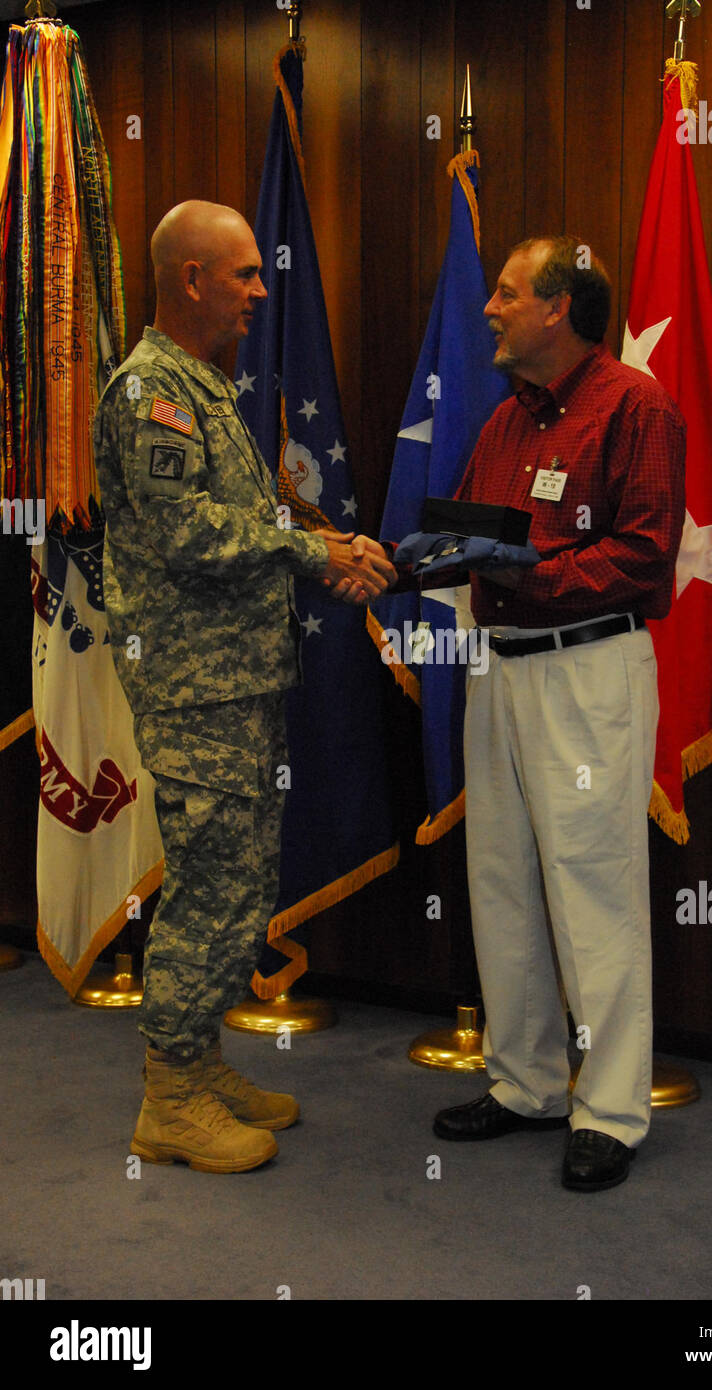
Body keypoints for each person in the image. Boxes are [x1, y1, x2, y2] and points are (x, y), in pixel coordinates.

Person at [94, 201, 395, 1173]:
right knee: (209, 888)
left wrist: (325, 555)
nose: (261, 292)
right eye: (244, 276)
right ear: (191, 279)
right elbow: (189, 534)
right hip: (194, 685)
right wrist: (314, 551)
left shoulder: (207, 389)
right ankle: (169, 1100)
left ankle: (199, 1059)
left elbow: (240, 518)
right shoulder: (154, 394)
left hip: (237, 677)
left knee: (237, 882)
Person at [433, 235, 686, 1191]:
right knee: (499, 877)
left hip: (589, 669)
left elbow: (644, 556)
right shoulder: (506, 420)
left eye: (506, 293)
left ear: (559, 309)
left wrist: (528, 574)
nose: (489, 308)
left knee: (593, 884)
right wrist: (400, 560)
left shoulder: (636, 405)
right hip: (500, 671)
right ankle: (525, 1082)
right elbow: (467, 536)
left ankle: (611, 1109)